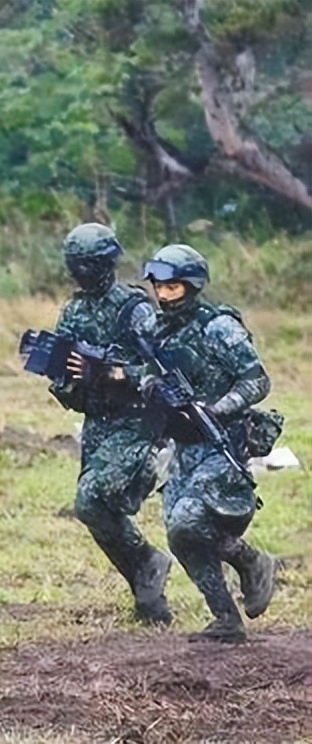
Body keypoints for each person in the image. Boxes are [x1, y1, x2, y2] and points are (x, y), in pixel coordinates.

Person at [139, 244, 276, 643]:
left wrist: (218, 407)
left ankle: (249, 561)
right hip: (181, 448)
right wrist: (152, 387)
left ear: (192, 287)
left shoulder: (219, 328)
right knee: (177, 534)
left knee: (188, 520)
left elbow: (257, 380)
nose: (163, 296)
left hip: (222, 445)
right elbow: (147, 374)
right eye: (159, 288)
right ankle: (226, 620)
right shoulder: (156, 330)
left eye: (173, 288)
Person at [49, 223, 173, 624]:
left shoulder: (133, 309)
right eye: (76, 265)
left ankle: (148, 568)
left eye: (89, 264)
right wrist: (66, 379)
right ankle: (147, 581)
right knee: (92, 509)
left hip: (135, 422)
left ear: (107, 263)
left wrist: (112, 372)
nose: (81, 272)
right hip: (98, 423)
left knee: (92, 499)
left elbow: (163, 369)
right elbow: (62, 375)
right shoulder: (74, 311)